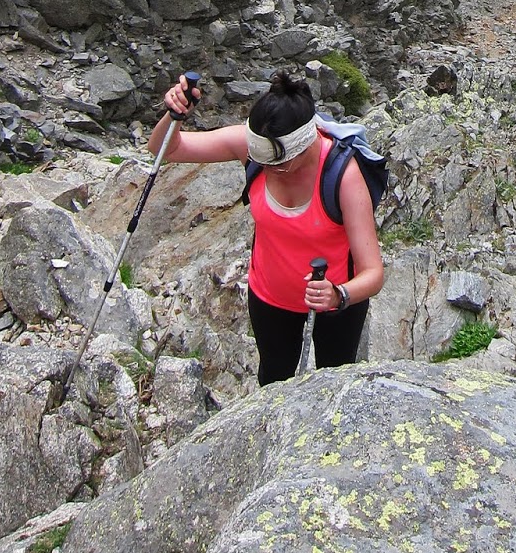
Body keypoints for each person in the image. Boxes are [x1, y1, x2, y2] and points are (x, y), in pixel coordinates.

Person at [149, 69, 384, 384]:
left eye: (280, 165)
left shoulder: (343, 175)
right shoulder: (257, 149)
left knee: (334, 384)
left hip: (335, 306)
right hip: (269, 298)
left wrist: (337, 295)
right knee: (272, 379)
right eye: (264, 164)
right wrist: (174, 115)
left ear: (305, 144)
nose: (270, 172)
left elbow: (373, 273)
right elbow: (167, 149)